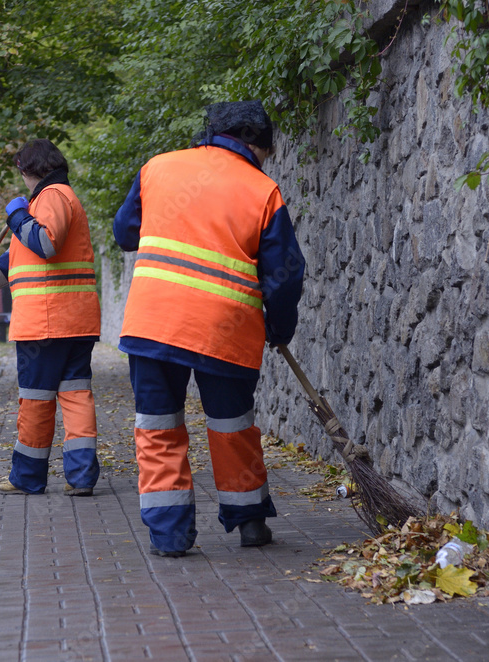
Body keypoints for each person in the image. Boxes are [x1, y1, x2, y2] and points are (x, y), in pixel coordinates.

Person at [113, 100, 305, 557]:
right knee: (232, 426)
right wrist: (279, 328)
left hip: (154, 323)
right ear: (259, 146)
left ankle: (170, 537)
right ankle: (250, 520)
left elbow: (125, 233)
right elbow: (285, 273)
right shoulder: (263, 190)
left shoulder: (158, 168)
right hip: (226, 329)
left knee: (159, 428)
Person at [0, 139, 102, 496]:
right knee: (75, 396)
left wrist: (18, 215)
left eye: (20, 171)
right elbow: (19, 259)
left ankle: (28, 477)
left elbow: (45, 245)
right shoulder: (58, 199)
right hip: (75, 321)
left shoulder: (51, 196)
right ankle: (82, 477)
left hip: (46, 322)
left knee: (37, 399)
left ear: (28, 168)